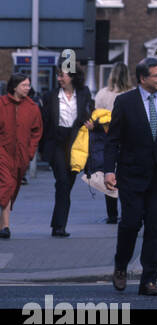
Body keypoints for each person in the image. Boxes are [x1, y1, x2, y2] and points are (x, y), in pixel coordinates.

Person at [103, 57, 157, 297]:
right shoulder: (125, 102)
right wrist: (109, 170)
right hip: (132, 175)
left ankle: (149, 280)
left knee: (156, 229)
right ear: (143, 78)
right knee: (130, 224)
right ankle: (121, 265)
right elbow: (112, 141)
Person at [40, 65, 94, 236]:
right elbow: (44, 122)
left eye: (62, 76)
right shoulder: (50, 96)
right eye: (58, 75)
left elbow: (90, 115)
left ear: (73, 77)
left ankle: (58, 223)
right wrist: (41, 148)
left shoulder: (84, 94)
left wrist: (92, 125)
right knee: (62, 182)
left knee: (67, 185)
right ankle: (59, 227)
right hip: (56, 142)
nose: (59, 79)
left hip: (75, 144)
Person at [0, 74, 43, 238]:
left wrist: (30, 152)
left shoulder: (32, 107)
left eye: (28, 85)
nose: (27, 88)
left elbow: (36, 132)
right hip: (3, 152)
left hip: (21, 156)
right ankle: (5, 227)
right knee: (7, 184)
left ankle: (2, 224)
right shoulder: (1, 104)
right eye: (24, 85)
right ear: (14, 86)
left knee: (12, 188)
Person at [94, 63, 132, 223]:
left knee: (109, 173)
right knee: (126, 176)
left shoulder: (102, 94)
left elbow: (95, 115)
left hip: (107, 138)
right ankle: (128, 212)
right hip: (128, 139)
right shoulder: (132, 93)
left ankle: (112, 215)